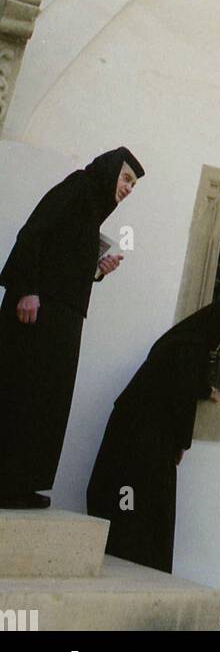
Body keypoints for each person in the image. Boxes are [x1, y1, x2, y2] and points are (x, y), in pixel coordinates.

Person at [0, 146, 144, 510]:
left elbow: (62, 261)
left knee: (46, 401)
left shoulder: (91, 212)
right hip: (37, 314)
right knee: (22, 394)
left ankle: (20, 483)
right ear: (110, 169)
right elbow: (33, 233)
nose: (128, 189)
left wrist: (98, 270)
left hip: (61, 320)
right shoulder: (78, 187)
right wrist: (27, 289)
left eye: (133, 185)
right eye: (126, 178)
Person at [86, 298, 220, 572]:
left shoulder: (187, 343)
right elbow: (180, 395)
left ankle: (129, 559)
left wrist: (203, 390)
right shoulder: (190, 347)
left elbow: (182, 379)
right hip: (142, 435)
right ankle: (137, 565)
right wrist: (182, 443)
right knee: (144, 505)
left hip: (141, 432)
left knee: (134, 501)